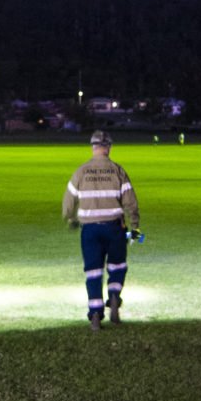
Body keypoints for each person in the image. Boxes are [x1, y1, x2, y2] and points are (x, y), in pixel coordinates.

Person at [61, 129, 140, 326]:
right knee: (117, 266)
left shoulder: (81, 171)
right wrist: (135, 227)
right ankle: (113, 296)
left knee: (93, 271)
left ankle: (95, 314)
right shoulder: (118, 170)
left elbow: (68, 201)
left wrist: (70, 219)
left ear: (93, 147)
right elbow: (131, 202)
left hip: (89, 230)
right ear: (109, 147)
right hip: (115, 228)